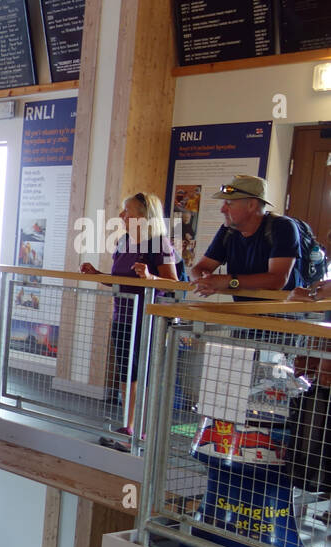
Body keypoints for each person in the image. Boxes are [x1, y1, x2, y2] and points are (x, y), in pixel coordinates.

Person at [80, 191, 180, 449]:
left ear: (144, 217)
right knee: (126, 372)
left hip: (146, 319)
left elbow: (174, 284)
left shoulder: (160, 243)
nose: (122, 216)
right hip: (122, 316)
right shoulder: (124, 242)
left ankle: (140, 431)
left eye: (128, 212)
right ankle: (129, 424)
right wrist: (97, 274)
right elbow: (118, 279)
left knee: (142, 372)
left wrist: (151, 277)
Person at [189, 175, 297, 300]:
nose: (222, 209)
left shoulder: (282, 227)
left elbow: (277, 280)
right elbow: (199, 268)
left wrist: (228, 281)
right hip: (243, 314)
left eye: (229, 203)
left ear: (252, 205)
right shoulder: (228, 230)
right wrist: (203, 281)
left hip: (280, 315)